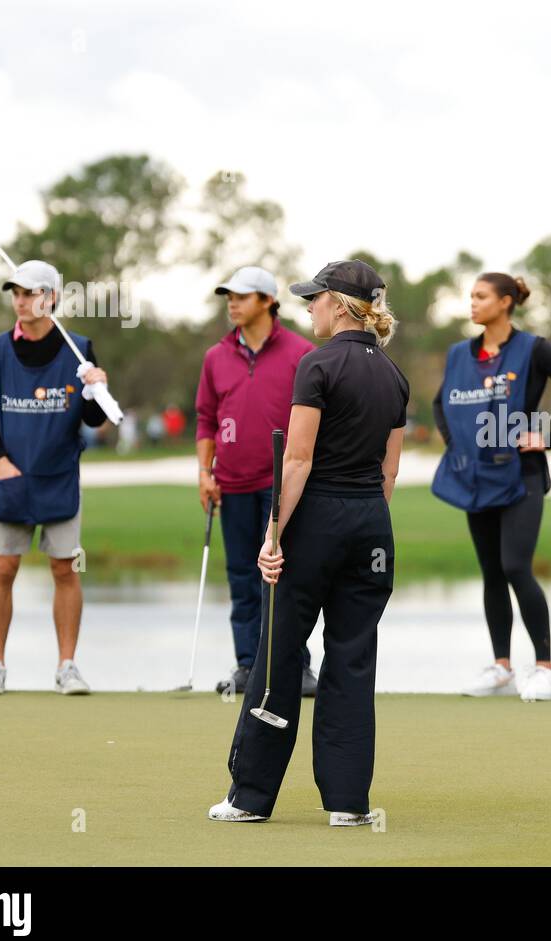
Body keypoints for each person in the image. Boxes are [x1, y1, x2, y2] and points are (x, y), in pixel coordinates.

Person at [209, 259, 409, 826]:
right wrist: (364, 522)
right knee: (352, 662)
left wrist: (272, 534)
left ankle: (250, 797)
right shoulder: (394, 376)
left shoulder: (314, 365)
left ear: (341, 305)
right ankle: (347, 803)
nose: (308, 307)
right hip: (372, 526)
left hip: (315, 522)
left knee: (278, 657)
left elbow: (297, 460)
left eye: (315, 299)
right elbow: (388, 475)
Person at [432, 273, 551, 701]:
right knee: (491, 572)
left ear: (506, 302)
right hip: (475, 478)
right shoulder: (459, 354)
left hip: (521, 476)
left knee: (515, 566)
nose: (473, 303)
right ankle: (501, 667)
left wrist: (549, 436)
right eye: (470, 296)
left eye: (481, 296)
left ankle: (546, 669)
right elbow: (439, 404)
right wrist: (459, 448)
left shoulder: (533, 349)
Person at [0, 260, 110, 695]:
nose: (21, 301)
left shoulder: (78, 348)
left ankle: (67, 666)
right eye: (16, 293)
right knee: (4, 567)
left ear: (51, 298)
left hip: (59, 475)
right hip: (12, 474)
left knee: (65, 569)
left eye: (29, 293)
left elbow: (94, 417)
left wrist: (95, 387)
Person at [196, 266, 318, 698]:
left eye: (242, 296)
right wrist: (204, 473)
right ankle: (248, 665)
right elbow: (206, 419)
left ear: (268, 301)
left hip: (281, 485)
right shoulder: (216, 357)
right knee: (242, 578)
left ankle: (296, 666)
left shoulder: (301, 352)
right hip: (231, 483)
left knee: (286, 575)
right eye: (229, 296)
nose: (233, 303)